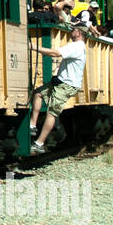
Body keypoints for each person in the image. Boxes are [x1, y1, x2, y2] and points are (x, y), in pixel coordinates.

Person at [26, 25, 87, 155]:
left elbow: (55, 53)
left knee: (52, 113)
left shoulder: (77, 46)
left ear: (79, 32)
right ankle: (32, 125)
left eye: (74, 29)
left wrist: (33, 47)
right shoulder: (78, 46)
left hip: (66, 85)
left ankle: (39, 143)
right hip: (61, 83)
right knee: (38, 93)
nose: (72, 31)